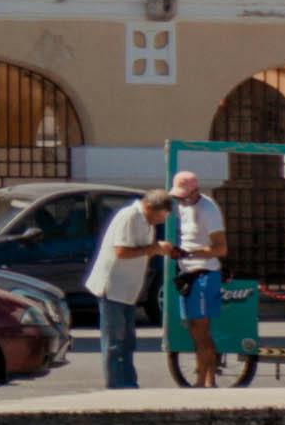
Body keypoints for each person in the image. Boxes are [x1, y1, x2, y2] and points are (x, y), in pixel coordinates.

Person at [83, 190, 169, 391]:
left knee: (127, 341)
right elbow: (121, 251)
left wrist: (156, 248)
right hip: (113, 288)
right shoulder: (130, 216)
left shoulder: (145, 220)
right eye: (160, 216)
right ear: (150, 207)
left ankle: (128, 383)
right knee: (115, 341)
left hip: (127, 290)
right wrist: (154, 249)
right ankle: (118, 385)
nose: (159, 221)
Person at [167, 165, 228, 381]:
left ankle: (202, 381)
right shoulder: (181, 207)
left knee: (201, 331)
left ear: (195, 191)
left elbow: (221, 248)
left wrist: (190, 253)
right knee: (194, 329)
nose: (181, 200)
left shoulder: (208, 210)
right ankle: (207, 379)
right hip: (188, 275)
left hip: (204, 274)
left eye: (184, 196)